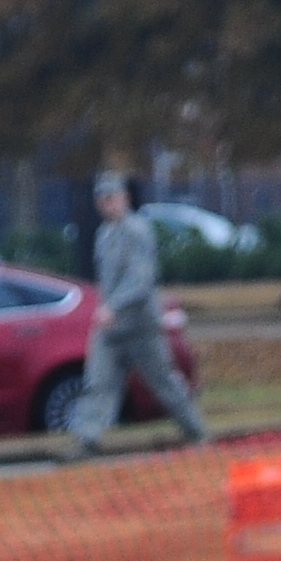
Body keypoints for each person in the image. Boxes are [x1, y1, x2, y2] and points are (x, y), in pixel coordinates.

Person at [65, 173, 208, 457]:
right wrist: (107, 309)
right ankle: (86, 441)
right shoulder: (104, 235)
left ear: (124, 198)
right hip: (111, 329)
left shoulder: (137, 230)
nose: (107, 204)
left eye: (112, 197)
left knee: (163, 382)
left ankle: (196, 432)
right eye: (102, 199)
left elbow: (141, 279)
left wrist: (113, 306)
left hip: (141, 325)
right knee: (98, 383)